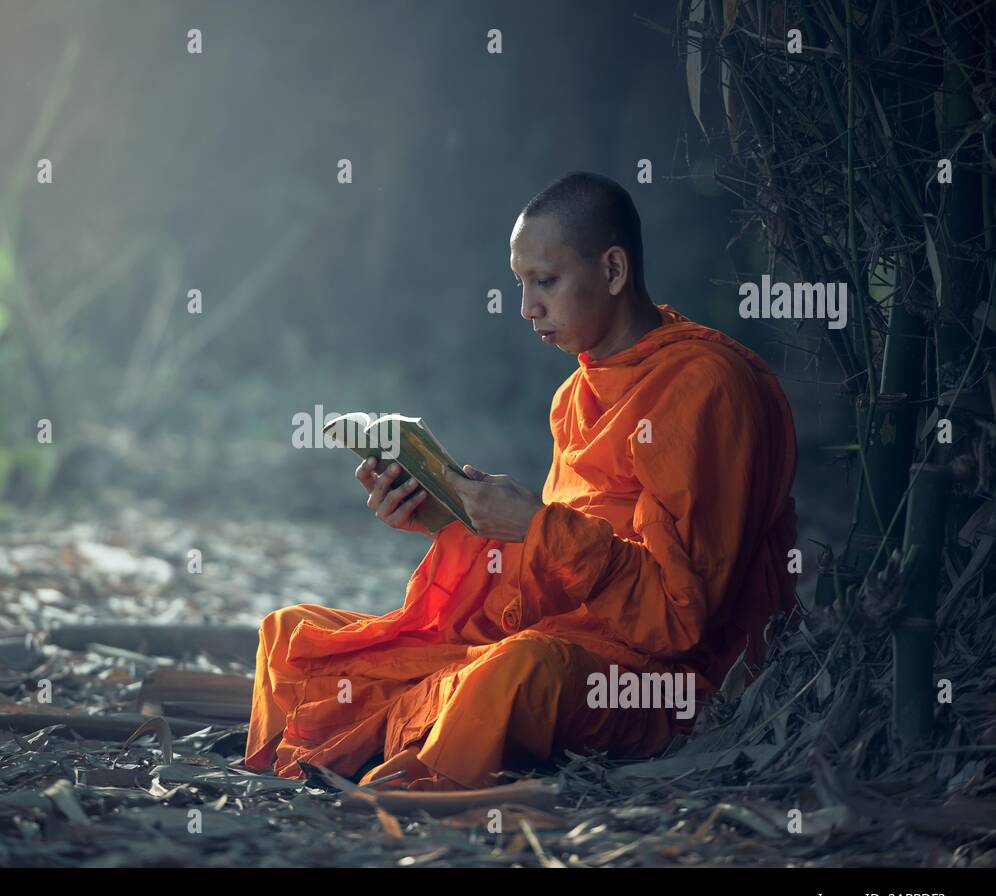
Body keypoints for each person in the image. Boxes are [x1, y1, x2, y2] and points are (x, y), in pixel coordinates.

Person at [245, 171, 798, 790]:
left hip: (664, 679)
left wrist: (535, 525)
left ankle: (410, 807)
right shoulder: (575, 397)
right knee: (290, 632)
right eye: (520, 284)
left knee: (512, 671)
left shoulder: (707, 387)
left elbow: (677, 619)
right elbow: (557, 573)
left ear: (613, 271)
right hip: (565, 638)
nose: (527, 307)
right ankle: (289, 780)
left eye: (546, 282)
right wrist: (450, 516)